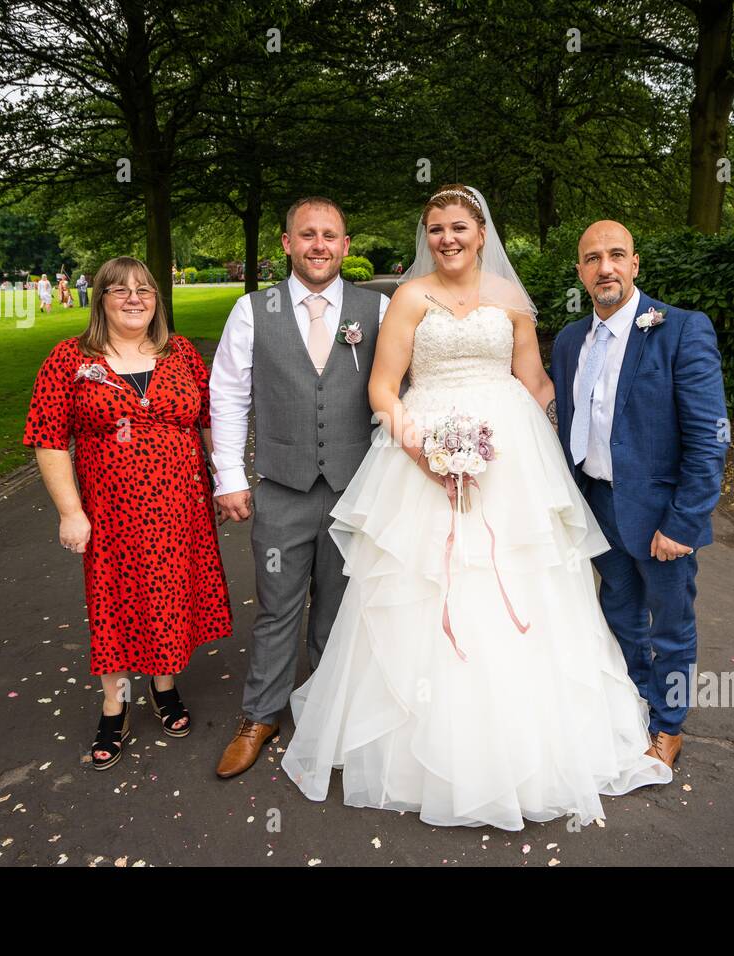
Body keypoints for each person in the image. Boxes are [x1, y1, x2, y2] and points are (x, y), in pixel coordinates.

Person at [280, 185, 673, 831]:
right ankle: (420, 748)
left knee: (523, 582)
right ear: (426, 236)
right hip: (423, 450)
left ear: (481, 232)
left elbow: (535, 379)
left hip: (511, 457)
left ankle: (532, 743)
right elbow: (384, 386)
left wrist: (565, 448)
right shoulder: (406, 298)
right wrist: (424, 453)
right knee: (428, 586)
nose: (447, 238)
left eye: (458, 226)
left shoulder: (512, 301)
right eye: (435, 228)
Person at [23, 255, 233, 771]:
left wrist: (224, 480)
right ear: (101, 299)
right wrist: (70, 512)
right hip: (112, 511)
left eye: (144, 288)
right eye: (120, 290)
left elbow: (212, 417)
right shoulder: (69, 358)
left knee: (170, 593)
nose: (134, 298)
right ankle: (114, 705)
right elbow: (48, 440)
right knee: (115, 601)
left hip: (181, 507)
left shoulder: (180, 352)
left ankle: (164, 686)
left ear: (157, 299)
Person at [210, 196, 390, 779]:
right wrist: (230, 477)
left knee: (341, 609)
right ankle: (259, 716)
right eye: (307, 234)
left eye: (330, 235)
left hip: (356, 487)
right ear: (286, 243)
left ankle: (328, 712)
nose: (319, 245)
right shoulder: (251, 311)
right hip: (282, 488)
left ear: (345, 245)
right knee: (276, 607)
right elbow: (230, 397)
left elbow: (404, 391)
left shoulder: (378, 308)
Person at [550, 221, 728, 769]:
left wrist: (684, 522)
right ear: (580, 271)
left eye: (616, 255)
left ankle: (669, 725)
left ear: (634, 264)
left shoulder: (680, 330)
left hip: (658, 518)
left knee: (670, 624)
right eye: (592, 259)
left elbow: (708, 436)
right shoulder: (567, 340)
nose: (605, 267)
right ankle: (633, 705)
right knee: (619, 614)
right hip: (594, 506)